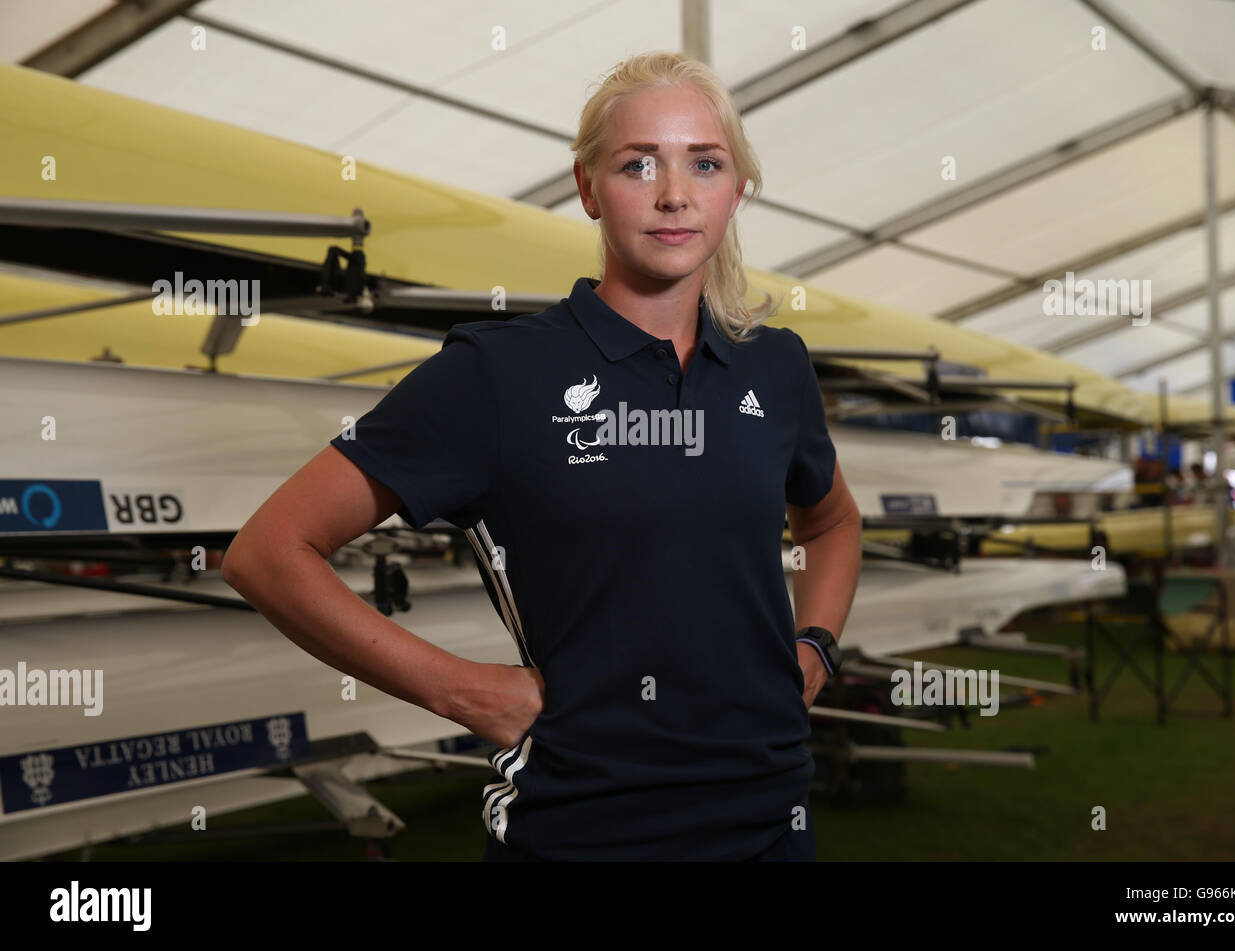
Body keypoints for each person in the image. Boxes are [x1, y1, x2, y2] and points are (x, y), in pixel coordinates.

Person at [222, 51, 861, 861]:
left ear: (736, 188)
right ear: (588, 187)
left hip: (772, 824)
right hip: (579, 831)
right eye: (639, 164)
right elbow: (268, 552)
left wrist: (816, 647)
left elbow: (833, 519)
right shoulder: (500, 375)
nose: (675, 194)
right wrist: (459, 688)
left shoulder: (777, 365)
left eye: (705, 163)